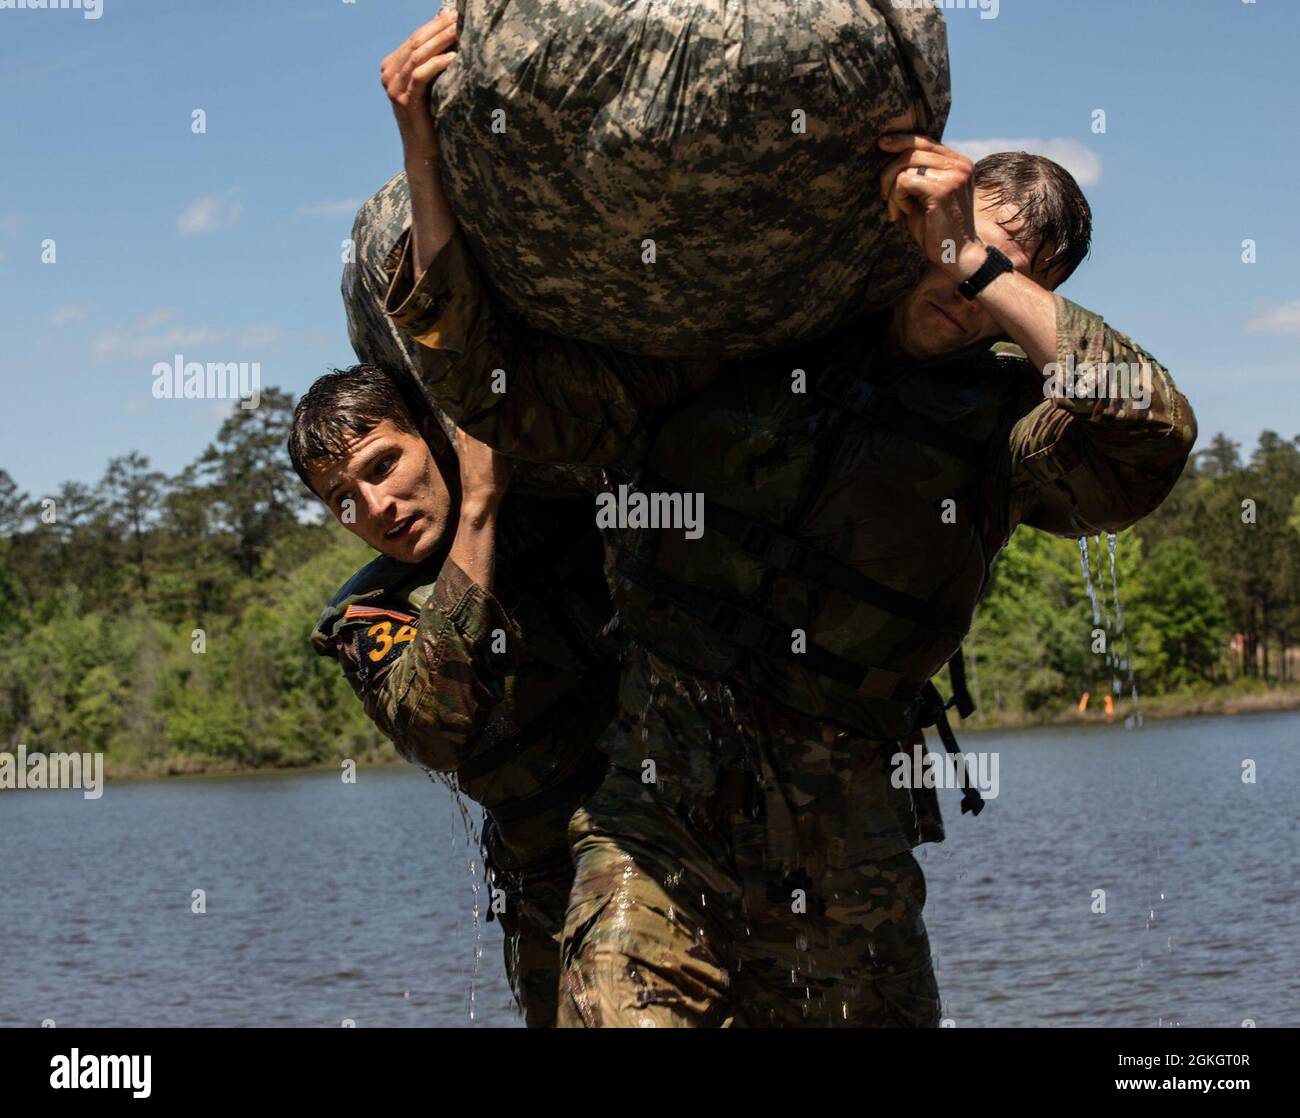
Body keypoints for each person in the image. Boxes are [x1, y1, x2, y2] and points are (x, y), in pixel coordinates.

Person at [358, 14, 1196, 1026]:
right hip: (658, 805)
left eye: (1004, 272)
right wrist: (420, 141)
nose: (959, 287)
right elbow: (488, 379)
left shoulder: (1008, 431)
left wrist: (974, 260)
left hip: (845, 836)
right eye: (951, 240)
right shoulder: (746, 336)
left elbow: (1151, 431)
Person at [289, 364, 618, 1027]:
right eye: (342, 498)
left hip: (683, 822)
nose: (375, 507)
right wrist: (478, 510)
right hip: (549, 889)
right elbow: (433, 727)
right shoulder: (371, 616)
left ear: (438, 436)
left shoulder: (562, 496)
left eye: (383, 466)